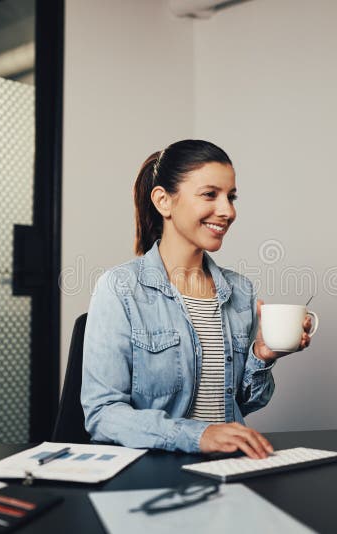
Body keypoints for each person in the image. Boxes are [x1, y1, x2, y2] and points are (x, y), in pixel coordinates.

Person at [80, 139, 314, 459]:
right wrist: (198, 434)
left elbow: (241, 402)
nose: (227, 211)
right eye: (210, 194)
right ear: (164, 201)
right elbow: (103, 415)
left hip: (225, 467)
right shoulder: (119, 288)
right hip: (156, 469)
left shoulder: (240, 291)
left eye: (231, 197)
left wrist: (262, 356)